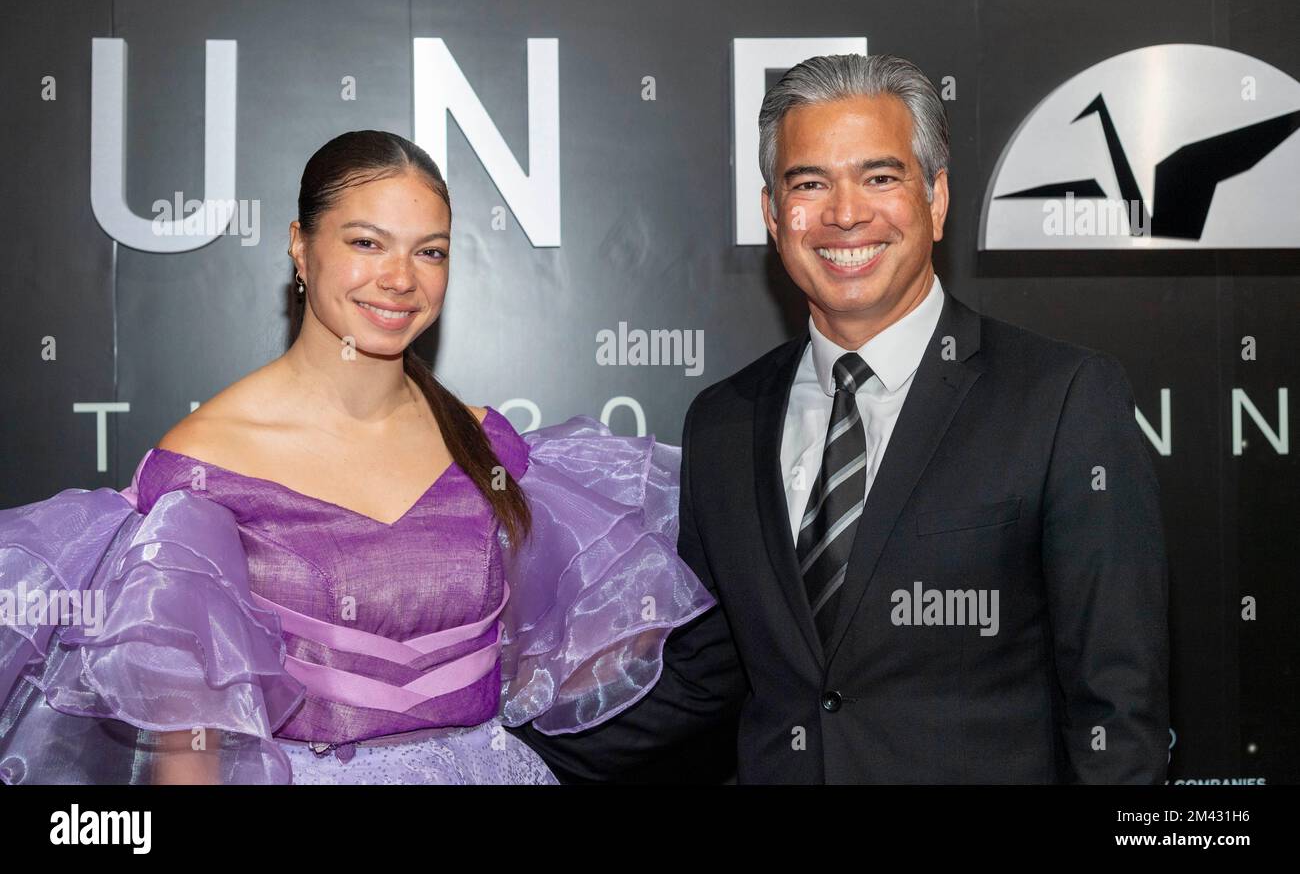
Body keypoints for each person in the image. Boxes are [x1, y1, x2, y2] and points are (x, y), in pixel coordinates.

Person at [509, 53, 1170, 783]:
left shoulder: (1061, 398)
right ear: (772, 213)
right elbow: (706, 675)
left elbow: (1117, 703)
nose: (846, 212)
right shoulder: (724, 423)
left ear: (938, 199)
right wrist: (490, 750)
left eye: (880, 177)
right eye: (810, 183)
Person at [0, 130, 715, 784]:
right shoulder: (206, 465)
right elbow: (189, 756)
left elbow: (592, 650)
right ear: (300, 248)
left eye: (429, 250)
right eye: (367, 243)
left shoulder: (485, 444)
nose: (401, 278)